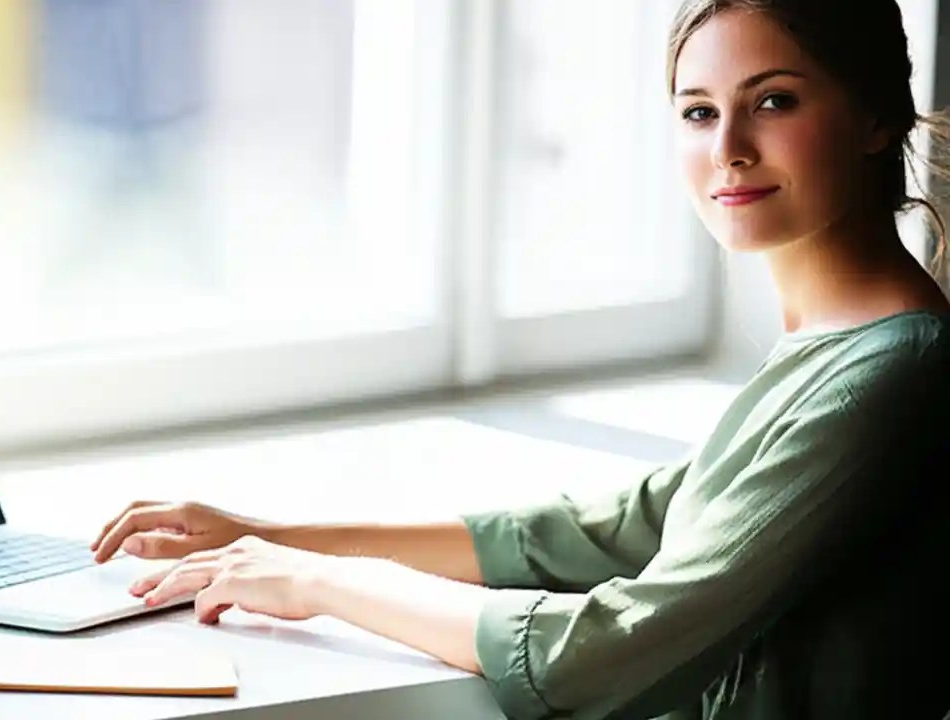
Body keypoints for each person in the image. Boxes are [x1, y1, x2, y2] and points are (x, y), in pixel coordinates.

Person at [90, 1, 950, 718]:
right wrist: (267, 537)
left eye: (773, 102)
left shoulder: (893, 371)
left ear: (877, 116)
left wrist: (317, 581)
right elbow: (606, 531)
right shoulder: (836, 350)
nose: (726, 145)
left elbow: (603, 654)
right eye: (697, 110)